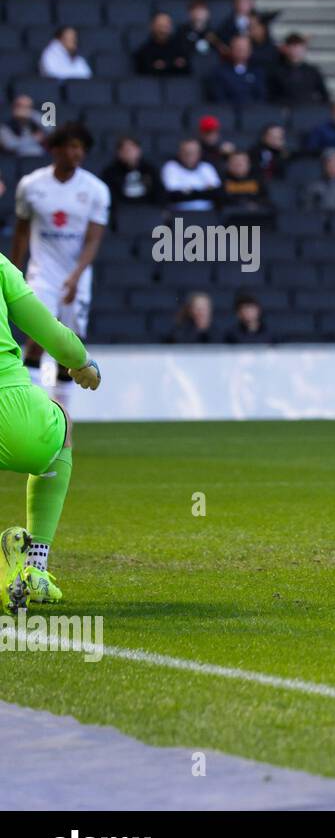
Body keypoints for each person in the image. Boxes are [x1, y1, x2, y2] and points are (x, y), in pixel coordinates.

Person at [0, 250, 102, 615]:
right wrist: (82, 362)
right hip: (12, 409)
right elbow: (47, 329)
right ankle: (35, 569)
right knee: (62, 426)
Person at [10, 123, 109, 409]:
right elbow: (20, 232)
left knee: (71, 345)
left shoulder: (95, 190)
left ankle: (64, 413)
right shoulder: (31, 185)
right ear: (55, 149)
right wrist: (14, 272)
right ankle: (34, 408)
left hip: (77, 275)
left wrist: (77, 275)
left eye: (80, 147)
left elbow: (93, 240)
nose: (76, 152)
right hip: (42, 274)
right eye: (70, 146)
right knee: (38, 338)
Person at [101, 134, 162, 208]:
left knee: (178, 219)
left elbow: (160, 193)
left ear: (139, 150)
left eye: (132, 149)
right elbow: (109, 198)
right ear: (119, 153)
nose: (129, 153)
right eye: (125, 150)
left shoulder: (150, 170)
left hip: (148, 211)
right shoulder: (110, 173)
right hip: (121, 212)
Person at [203, 35, 265, 106]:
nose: (241, 50)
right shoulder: (219, 72)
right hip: (227, 112)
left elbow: (261, 97)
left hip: (253, 113)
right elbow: (219, 98)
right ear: (231, 49)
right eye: (238, 47)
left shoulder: (257, 71)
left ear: (250, 50)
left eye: (244, 48)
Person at [268, 33, 329, 105]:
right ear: (286, 48)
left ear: (304, 48)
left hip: (308, 111)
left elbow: (325, 96)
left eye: (298, 46)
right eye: (292, 47)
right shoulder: (276, 72)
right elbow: (271, 96)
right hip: (284, 111)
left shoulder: (313, 71)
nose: (295, 50)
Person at [161, 139, 221, 211]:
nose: (189, 155)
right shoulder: (171, 167)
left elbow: (216, 192)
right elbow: (173, 195)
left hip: (206, 212)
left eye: (193, 152)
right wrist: (202, 191)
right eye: (186, 152)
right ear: (179, 153)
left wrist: (188, 191)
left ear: (199, 154)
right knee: (178, 222)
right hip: (178, 212)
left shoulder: (206, 167)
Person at [220, 150, 274, 221]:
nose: (238, 164)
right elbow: (220, 200)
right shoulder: (220, 180)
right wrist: (243, 204)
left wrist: (255, 204)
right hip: (229, 221)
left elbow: (265, 198)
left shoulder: (257, 180)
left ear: (248, 164)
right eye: (235, 161)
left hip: (255, 219)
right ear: (228, 164)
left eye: (242, 161)